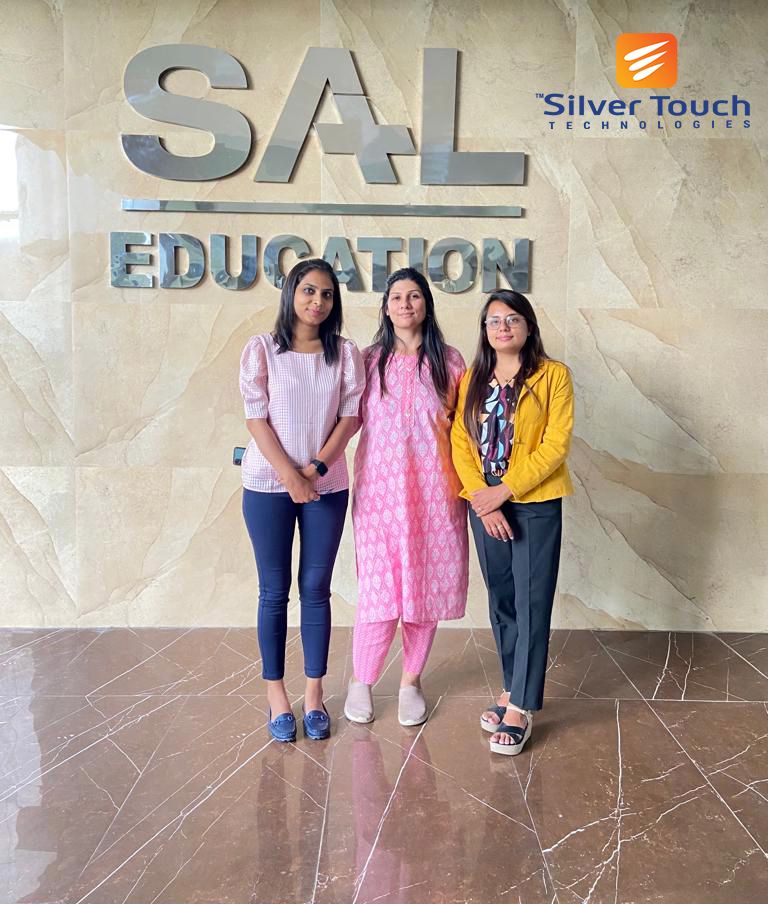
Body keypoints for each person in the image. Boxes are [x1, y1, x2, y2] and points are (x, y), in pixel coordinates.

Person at [239, 258, 365, 742]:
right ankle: (276, 696)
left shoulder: (345, 354)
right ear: (291, 292)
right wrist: (290, 475)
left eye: (327, 294)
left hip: (326, 486)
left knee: (316, 588)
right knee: (273, 591)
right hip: (267, 485)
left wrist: (315, 470)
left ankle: (314, 695)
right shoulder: (262, 350)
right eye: (309, 290)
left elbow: (350, 418)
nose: (318, 301)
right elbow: (256, 418)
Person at [343, 267, 468, 727]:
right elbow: (347, 421)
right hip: (379, 496)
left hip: (435, 495)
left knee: (422, 590)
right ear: (386, 307)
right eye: (396, 297)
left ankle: (410, 682)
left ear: (426, 305)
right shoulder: (367, 361)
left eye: (414, 296)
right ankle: (362, 681)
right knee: (379, 592)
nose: (405, 304)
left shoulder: (449, 362)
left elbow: (464, 428)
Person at [451, 290, 574, 755]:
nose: (502, 327)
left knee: (531, 601)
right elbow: (460, 440)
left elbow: (555, 445)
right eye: (494, 321)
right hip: (484, 504)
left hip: (534, 503)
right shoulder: (472, 378)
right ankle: (510, 686)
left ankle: (522, 706)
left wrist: (503, 491)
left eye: (512, 319)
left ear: (528, 326)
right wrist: (482, 501)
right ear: (485, 330)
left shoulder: (553, 375)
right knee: (502, 598)